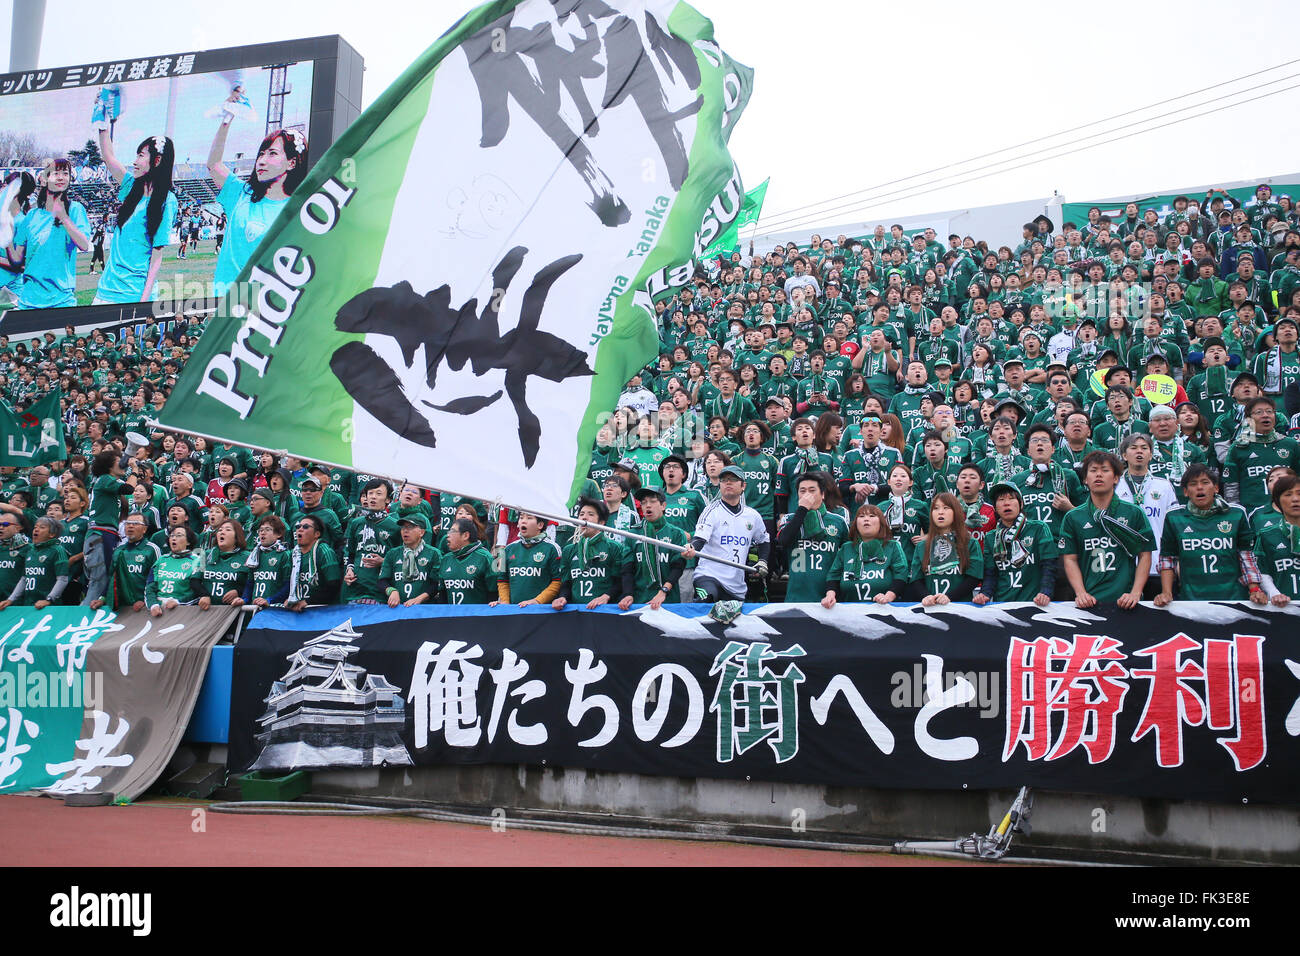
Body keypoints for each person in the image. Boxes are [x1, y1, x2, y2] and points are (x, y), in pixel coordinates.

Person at [207, 119, 307, 296]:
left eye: (272, 154)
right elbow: (214, 165)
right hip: (223, 306)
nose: (261, 161)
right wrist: (227, 119)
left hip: (265, 310)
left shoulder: (298, 211)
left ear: (292, 163)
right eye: (261, 154)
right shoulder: (241, 193)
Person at [1060, 451, 1156, 610]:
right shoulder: (1073, 517)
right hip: (1089, 603)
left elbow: (1145, 554)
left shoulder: (1133, 513)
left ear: (1116, 478)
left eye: (1105, 470)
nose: (1099, 475)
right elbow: (1070, 559)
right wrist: (1081, 593)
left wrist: (1135, 592)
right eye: (1093, 470)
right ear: (1085, 479)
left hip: (1126, 602)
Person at [1155, 465, 1261, 605]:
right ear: (1186, 492)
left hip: (1234, 599)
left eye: (1205, 483)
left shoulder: (1237, 513)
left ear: (1216, 488)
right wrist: (1166, 592)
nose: (1200, 487)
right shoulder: (1174, 517)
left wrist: (1254, 590)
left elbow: (1246, 555)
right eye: (1193, 484)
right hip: (1192, 601)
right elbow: (1168, 559)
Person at [92, 130, 178, 304]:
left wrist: (143, 301)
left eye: (140, 156)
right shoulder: (132, 187)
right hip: (105, 292)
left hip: (133, 295)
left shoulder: (166, 201)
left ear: (157, 160)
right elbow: (109, 158)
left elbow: (156, 257)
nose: (135, 162)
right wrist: (102, 124)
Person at [681, 465, 770, 622]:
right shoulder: (711, 511)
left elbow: (764, 541)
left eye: (733, 480)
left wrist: (762, 561)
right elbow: (700, 538)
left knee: (730, 625)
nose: (728, 483)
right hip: (708, 576)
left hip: (736, 585)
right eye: (724, 480)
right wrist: (692, 548)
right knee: (706, 598)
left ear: (743, 486)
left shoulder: (753, 516)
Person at [2, 159, 91, 309]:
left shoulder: (75, 210)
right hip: (28, 302)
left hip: (61, 301)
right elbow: (17, 260)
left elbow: (84, 245)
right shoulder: (31, 216)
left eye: (66, 173)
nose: (62, 177)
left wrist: (63, 217)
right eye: (56, 173)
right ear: (44, 179)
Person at [975, 484, 1055, 606]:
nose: (1006, 503)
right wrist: (985, 593)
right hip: (1002, 606)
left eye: (1011, 498)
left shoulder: (1038, 528)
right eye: (1001, 500)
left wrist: (1046, 592)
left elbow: (1049, 566)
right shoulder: (991, 537)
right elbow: (991, 573)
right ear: (995, 508)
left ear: (1021, 504)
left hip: (1035, 603)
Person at [778, 471, 850, 602]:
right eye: (802, 491)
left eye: (812, 490)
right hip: (796, 596)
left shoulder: (838, 521)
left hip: (829, 597)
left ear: (822, 494)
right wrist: (802, 510)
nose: (807, 494)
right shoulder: (789, 519)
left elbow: (848, 554)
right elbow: (783, 541)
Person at [821, 504, 908, 606]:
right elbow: (833, 576)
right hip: (849, 615)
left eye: (872, 516)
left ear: (881, 522)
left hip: (884, 612)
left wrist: (888, 597)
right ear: (855, 523)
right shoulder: (846, 548)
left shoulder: (892, 546)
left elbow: (901, 574)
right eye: (861, 516)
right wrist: (830, 595)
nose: (866, 519)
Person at [619, 487, 690, 609]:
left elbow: (677, 567)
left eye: (652, 501)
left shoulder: (676, 533)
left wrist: (663, 591)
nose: (647, 506)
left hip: (667, 601)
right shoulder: (633, 533)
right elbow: (628, 569)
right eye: (644, 502)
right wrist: (628, 594)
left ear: (663, 506)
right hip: (639, 601)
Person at [552, 499, 630, 611]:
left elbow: (620, 581)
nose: (584, 518)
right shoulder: (569, 549)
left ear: (602, 522)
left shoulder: (614, 547)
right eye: (581, 514)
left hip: (605, 611)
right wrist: (562, 597)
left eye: (590, 514)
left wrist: (606, 596)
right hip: (576, 613)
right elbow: (566, 583)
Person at [84, 449, 138, 606]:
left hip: (105, 533)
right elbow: (129, 489)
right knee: (99, 579)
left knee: (106, 577)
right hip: (100, 534)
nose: (123, 463)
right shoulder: (105, 479)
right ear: (108, 465)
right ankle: (84, 616)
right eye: (118, 460)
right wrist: (134, 469)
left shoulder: (108, 483)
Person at [908, 492, 984, 605]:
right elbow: (916, 579)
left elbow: (973, 577)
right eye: (936, 508)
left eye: (946, 508)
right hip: (930, 609)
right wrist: (926, 596)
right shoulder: (922, 546)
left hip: (960, 609)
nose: (940, 512)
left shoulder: (969, 543)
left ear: (956, 512)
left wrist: (949, 597)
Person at [342, 478, 401, 603]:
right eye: (370, 493)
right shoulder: (356, 523)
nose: (373, 497)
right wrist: (349, 570)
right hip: (354, 594)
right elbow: (350, 554)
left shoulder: (395, 526)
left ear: (388, 499)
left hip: (380, 595)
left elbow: (401, 558)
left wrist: (384, 562)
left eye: (379, 494)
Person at [92, 512, 160, 611]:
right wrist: (102, 598)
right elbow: (112, 578)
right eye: (128, 523)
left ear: (144, 529)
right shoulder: (118, 550)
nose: (130, 526)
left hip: (143, 606)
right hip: (121, 608)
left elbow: (157, 579)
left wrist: (146, 601)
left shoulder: (152, 549)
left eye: (135, 523)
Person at [0, 516, 69, 609]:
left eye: (42, 527)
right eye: (35, 527)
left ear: (52, 534)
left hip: (48, 607)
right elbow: (24, 579)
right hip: (28, 604)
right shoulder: (30, 551)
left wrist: (49, 600)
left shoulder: (57, 550)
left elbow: (62, 579)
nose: (36, 530)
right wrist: (10, 599)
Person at [492, 511, 559, 607]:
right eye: (521, 518)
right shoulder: (508, 549)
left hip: (540, 612)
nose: (523, 521)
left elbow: (557, 581)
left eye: (529, 518)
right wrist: (505, 602)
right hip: (514, 612)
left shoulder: (553, 548)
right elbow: (502, 579)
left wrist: (537, 601)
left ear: (540, 525)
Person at [1254, 474, 1300, 605]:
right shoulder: (1266, 535)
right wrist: (1275, 594)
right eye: (1288, 495)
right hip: (1282, 611)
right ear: (1277, 501)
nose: (1295, 499)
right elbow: (1262, 571)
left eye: (1299, 493)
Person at [381, 513, 442, 607]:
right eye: (403, 528)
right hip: (397, 609)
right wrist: (391, 591)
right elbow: (382, 581)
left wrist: (419, 599)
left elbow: (436, 584)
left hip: (424, 609)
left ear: (421, 532)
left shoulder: (433, 554)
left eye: (410, 527)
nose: (405, 531)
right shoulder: (392, 554)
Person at [285, 514, 342, 610]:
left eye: (306, 527)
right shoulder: (293, 554)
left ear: (317, 534)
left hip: (323, 611)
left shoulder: (324, 551)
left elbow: (334, 585)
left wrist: (308, 602)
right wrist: (288, 599)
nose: (300, 529)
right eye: (298, 527)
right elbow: (287, 583)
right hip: (299, 610)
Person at [145, 525, 204, 616]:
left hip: (183, 611)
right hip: (158, 610)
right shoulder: (161, 560)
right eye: (172, 536)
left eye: (179, 535)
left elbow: (198, 592)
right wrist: (153, 605)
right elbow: (150, 586)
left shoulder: (198, 561)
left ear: (188, 541)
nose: (174, 538)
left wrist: (178, 602)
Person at [438, 516, 497, 604]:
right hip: (452, 616)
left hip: (477, 616)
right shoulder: (446, 559)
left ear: (465, 535)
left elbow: (494, 592)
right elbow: (442, 594)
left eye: (452, 531)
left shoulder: (485, 557)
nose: (448, 535)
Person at [242, 514, 294, 609]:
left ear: (278, 534)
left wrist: (270, 600)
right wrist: (244, 599)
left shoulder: (284, 554)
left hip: (276, 609)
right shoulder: (254, 554)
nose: (262, 533)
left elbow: (288, 586)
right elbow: (250, 584)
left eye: (267, 529)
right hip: (254, 608)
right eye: (261, 530)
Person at [198, 518, 251, 610]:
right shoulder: (206, 554)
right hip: (206, 610)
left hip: (233, 611)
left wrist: (239, 591)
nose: (222, 532)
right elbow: (195, 580)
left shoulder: (247, 557)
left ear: (236, 536)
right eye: (220, 530)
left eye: (228, 530)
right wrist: (204, 595)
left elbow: (252, 584)